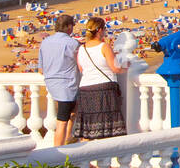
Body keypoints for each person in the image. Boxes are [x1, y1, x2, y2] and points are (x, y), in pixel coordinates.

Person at [74, 16, 128, 140]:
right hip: (103, 89)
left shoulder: (82, 48)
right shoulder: (104, 47)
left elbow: (81, 69)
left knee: (88, 128)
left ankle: (86, 151)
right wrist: (126, 68)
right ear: (99, 30)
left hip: (86, 89)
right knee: (107, 128)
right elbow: (115, 68)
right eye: (104, 29)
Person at [38, 14, 80, 146]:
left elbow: (41, 69)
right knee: (62, 122)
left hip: (51, 84)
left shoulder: (45, 42)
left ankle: (68, 137)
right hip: (67, 85)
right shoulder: (72, 43)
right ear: (68, 26)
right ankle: (58, 150)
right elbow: (81, 64)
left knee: (72, 111)